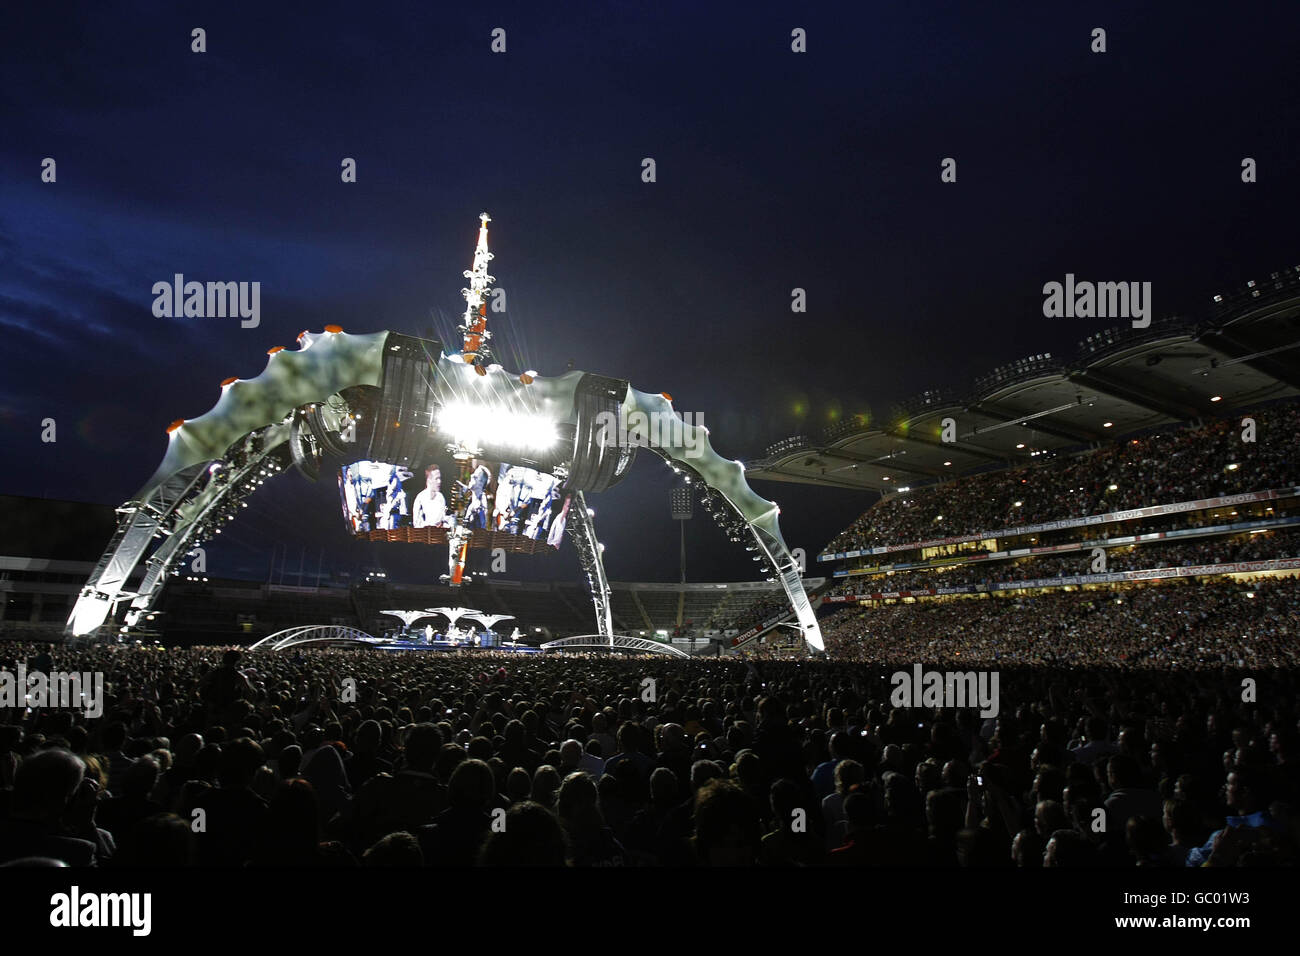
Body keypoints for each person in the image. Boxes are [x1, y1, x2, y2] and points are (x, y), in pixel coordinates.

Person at [412, 465, 449, 529]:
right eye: (436, 478)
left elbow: (443, 518)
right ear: (429, 480)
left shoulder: (441, 497)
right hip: (424, 535)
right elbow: (416, 524)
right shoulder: (420, 498)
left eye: (440, 478)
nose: (439, 482)